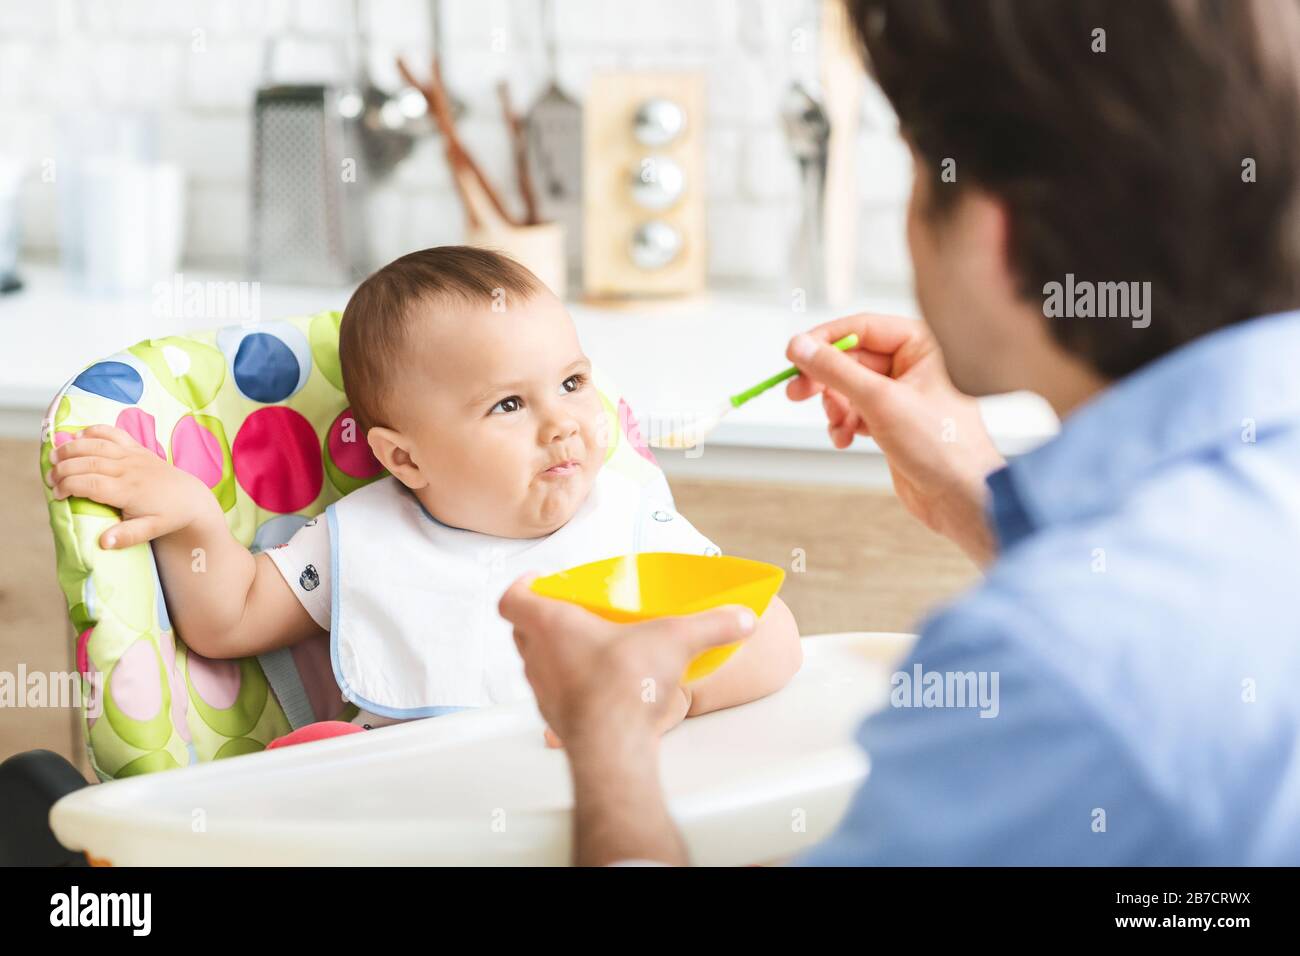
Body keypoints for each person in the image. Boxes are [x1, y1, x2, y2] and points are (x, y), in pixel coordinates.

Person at [498, 0, 1300, 865]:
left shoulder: (1045, 662)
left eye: (918, 174)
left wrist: (608, 739)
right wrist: (974, 499)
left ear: (1001, 234)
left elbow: (1112, 664)